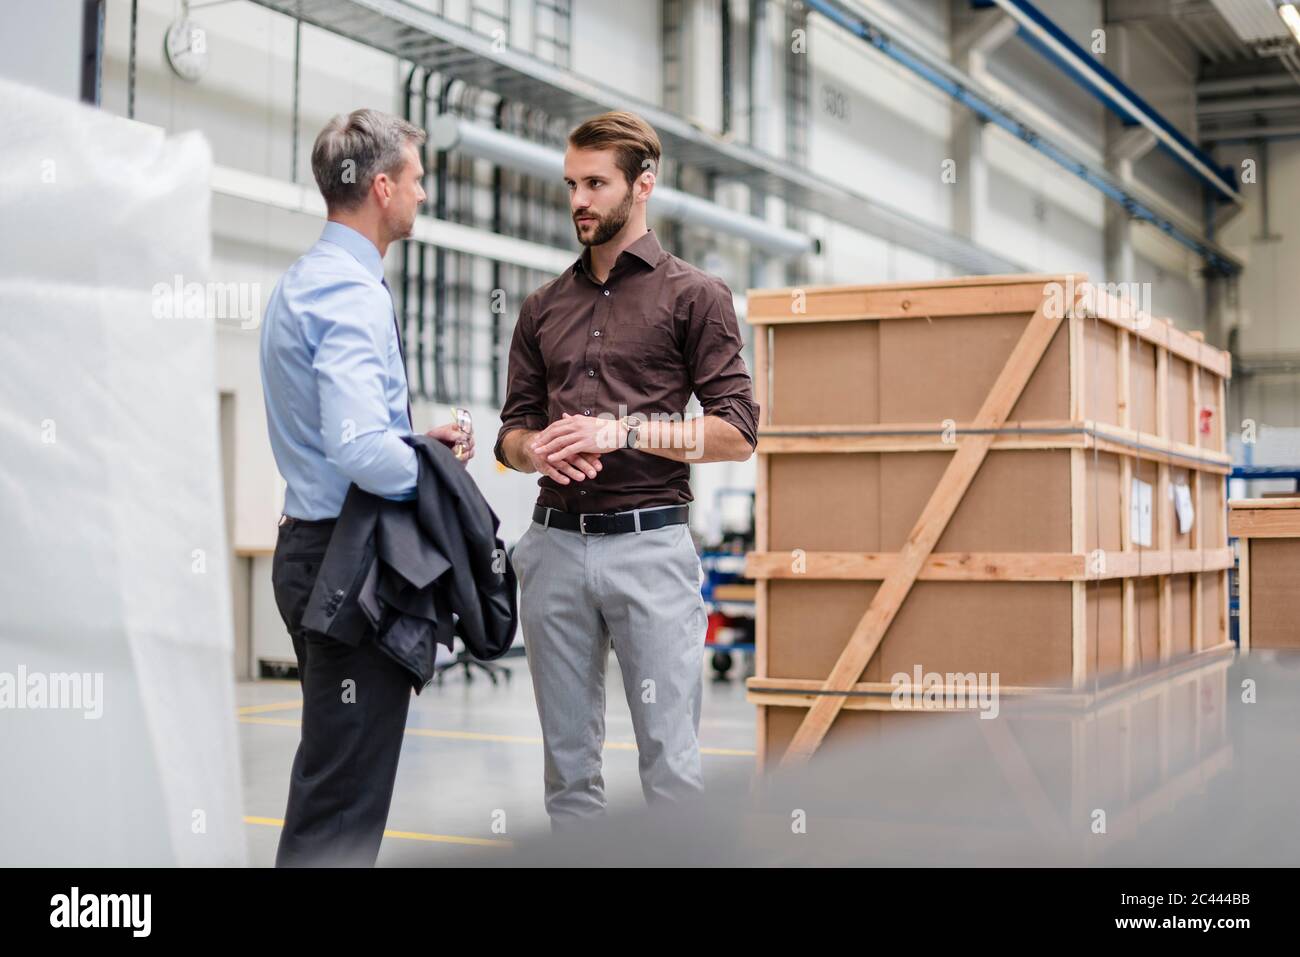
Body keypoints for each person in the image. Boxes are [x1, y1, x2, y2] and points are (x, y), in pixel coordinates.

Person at [494, 111, 759, 828]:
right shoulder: (542, 307)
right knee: (569, 777)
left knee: (670, 768)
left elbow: (736, 433)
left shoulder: (695, 296)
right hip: (553, 546)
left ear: (644, 184)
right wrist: (534, 449)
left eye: (595, 183)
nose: (578, 199)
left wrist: (626, 430)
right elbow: (509, 435)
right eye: (571, 184)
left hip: (651, 547)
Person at [259, 108, 472, 867]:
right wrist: (438, 474)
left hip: (311, 550)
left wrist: (414, 442)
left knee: (332, 781)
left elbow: (343, 434)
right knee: (343, 806)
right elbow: (358, 450)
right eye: (416, 178)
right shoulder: (348, 294)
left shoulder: (305, 281)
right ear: (381, 187)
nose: (425, 193)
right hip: (347, 569)